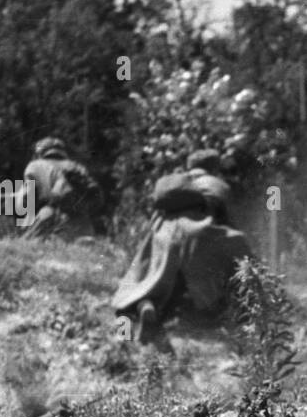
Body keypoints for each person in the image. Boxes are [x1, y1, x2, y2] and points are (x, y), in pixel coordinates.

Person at [111, 152, 253, 343]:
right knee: (238, 269)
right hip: (200, 234)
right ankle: (230, 319)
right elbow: (230, 223)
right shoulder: (218, 184)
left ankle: (127, 334)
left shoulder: (178, 184)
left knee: (136, 288)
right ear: (214, 167)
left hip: (162, 233)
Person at [20, 137, 106, 239]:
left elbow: (27, 201)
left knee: (26, 245)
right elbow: (96, 197)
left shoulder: (34, 166)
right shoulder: (77, 167)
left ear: (40, 152)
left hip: (50, 217)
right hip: (83, 223)